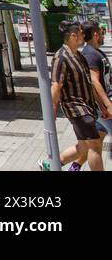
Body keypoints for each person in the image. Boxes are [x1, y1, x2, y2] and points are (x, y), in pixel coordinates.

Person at [49, 18, 104, 171]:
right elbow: (56, 85)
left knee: (83, 147)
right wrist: (52, 109)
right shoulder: (61, 57)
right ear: (73, 36)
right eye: (81, 32)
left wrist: (101, 106)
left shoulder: (78, 56)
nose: (83, 35)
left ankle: (51, 165)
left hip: (88, 107)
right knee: (95, 144)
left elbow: (89, 82)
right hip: (76, 108)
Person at [78, 20, 112, 161]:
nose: (104, 35)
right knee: (93, 146)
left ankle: (65, 165)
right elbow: (94, 81)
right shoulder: (90, 54)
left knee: (92, 145)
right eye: (102, 33)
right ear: (96, 34)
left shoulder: (95, 52)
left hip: (101, 107)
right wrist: (107, 105)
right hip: (101, 108)